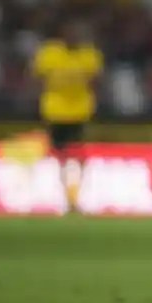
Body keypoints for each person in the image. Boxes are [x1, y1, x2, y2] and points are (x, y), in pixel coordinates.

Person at [32, 21, 104, 214]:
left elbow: (97, 80)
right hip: (55, 111)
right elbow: (36, 79)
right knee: (60, 157)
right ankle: (65, 197)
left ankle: (78, 195)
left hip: (80, 111)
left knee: (80, 155)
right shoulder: (50, 53)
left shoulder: (89, 55)